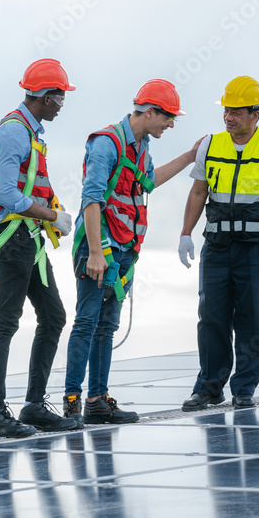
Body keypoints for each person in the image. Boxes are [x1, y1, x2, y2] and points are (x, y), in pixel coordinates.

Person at [63, 79, 202, 425]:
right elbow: (92, 198)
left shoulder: (140, 147)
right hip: (100, 247)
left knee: (106, 325)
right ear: (150, 111)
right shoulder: (107, 144)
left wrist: (189, 156)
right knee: (87, 321)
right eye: (168, 118)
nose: (170, 124)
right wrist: (96, 252)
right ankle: (71, 402)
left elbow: (149, 181)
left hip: (124, 248)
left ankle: (97, 399)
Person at [178, 76, 259, 411]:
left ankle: (244, 388)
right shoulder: (210, 145)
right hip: (217, 244)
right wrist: (186, 233)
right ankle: (209, 388)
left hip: (257, 247)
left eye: (237, 111)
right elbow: (198, 192)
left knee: (254, 319)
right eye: (226, 110)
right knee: (212, 316)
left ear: (255, 114)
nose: (229, 117)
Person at [0, 58, 78, 438]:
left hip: (28, 237)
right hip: (14, 236)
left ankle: (33, 406)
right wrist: (51, 217)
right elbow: (6, 193)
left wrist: (50, 214)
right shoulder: (16, 133)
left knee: (53, 317)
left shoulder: (30, 131)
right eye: (60, 97)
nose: (62, 104)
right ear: (45, 96)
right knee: (6, 320)